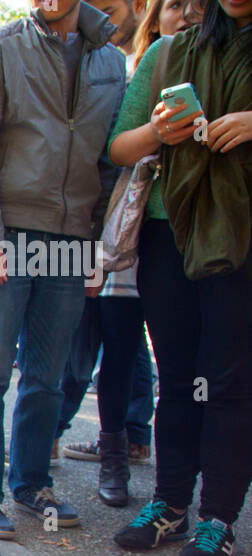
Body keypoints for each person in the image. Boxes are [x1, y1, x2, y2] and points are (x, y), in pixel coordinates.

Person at [0, 0, 126, 540]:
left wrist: (97, 244)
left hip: (72, 236)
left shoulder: (112, 61)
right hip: (8, 231)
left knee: (51, 376)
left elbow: (108, 159)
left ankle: (31, 483)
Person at [106, 0, 252, 556]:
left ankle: (219, 519)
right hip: (170, 233)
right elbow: (118, 146)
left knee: (230, 380)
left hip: (239, 239)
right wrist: (157, 132)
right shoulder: (171, 53)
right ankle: (168, 506)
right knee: (180, 377)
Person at [55, 0, 202, 498]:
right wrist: (158, 132)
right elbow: (111, 153)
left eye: (198, 7)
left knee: (181, 361)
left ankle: (180, 471)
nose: (186, 16)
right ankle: (113, 458)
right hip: (127, 230)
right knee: (118, 346)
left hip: (192, 234)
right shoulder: (135, 70)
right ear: (154, 16)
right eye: (175, 6)